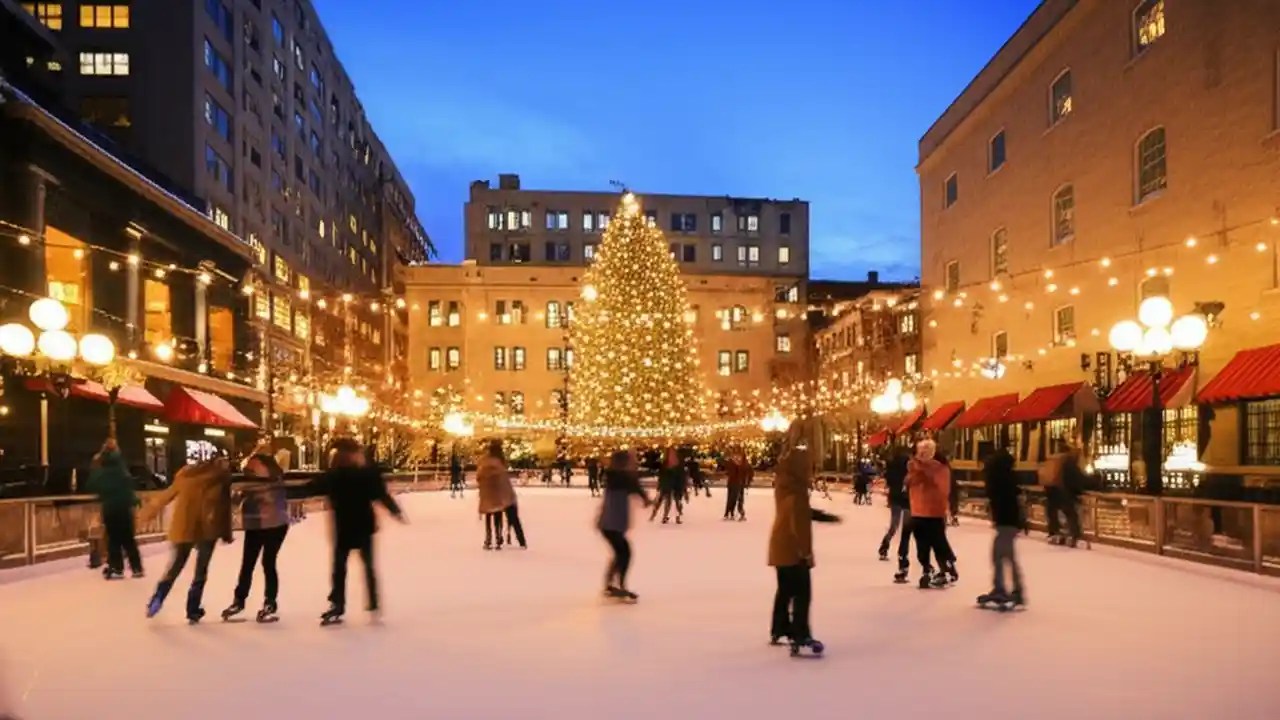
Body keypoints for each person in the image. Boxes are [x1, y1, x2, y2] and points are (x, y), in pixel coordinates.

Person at [308, 438, 406, 624]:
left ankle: (338, 604)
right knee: (365, 566)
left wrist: (282, 489)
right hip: (361, 526)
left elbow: (312, 487)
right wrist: (395, 511)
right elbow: (380, 494)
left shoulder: (336, 474)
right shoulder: (364, 474)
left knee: (340, 567)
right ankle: (372, 603)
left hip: (345, 526)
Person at [768, 418, 839, 653]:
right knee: (802, 594)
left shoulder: (784, 483)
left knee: (786, 590)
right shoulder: (796, 493)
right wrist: (804, 553)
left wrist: (823, 517)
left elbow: (800, 514)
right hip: (792, 551)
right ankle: (800, 635)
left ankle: (779, 627)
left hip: (779, 548)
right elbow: (797, 523)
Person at [139, 454, 234, 623]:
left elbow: (165, 497)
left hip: (183, 527)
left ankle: (158, 598)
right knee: (200, 571)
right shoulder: (220, 480)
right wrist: (226, 532)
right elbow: (223, 509)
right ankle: (192, 609)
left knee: (175, 567)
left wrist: (145, 514)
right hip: (207, 529)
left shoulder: (186, 475)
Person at [222, 446, 290, 622]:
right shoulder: (250, 481)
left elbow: (276, 500)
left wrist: (258, 494)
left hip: (275, 525)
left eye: (254, 467)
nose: (249, 470)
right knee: (248, 563)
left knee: (268, 561)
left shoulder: (275, 480)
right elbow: (237, 499)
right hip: (255, 525)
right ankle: (239, 600)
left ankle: (270, 601)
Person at [598, 449, 651, 600]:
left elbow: (634, 486)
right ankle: (617, 585)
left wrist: (644, 498)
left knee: (621, 553)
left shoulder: (616, 476)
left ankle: (611, 584)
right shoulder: (619, 478)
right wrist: (645, 498)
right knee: (624, 553)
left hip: (610, 524)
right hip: (611, 524)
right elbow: (634, 485)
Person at [88, 438, 143, 580]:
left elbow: (92, 485)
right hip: (124, 508)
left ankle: (117, 567)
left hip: (110, 509)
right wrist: (134, 500)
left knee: (113, 540)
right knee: (128, 539)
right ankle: (136, 567)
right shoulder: (121, 467)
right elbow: (128, 486)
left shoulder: (101, 468)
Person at [905, 439, 956, 588]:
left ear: (932, 453)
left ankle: (947, 568)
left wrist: (922, 469)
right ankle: (927, 569)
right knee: (922, 544)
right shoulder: (914, 467)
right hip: (918, 512)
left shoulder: (940, 468)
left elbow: (942, 487)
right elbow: (908, 483)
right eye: (920, 452)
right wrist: (913, 471)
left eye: (925, 452)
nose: (922, 455)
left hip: (935, 513)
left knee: (938, 542)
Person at [980, 446, 1025, 607]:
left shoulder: (997, 479)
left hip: (1006, 522)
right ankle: (1015, 589)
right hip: (1009, 522)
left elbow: (999, 499)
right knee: (1007, 556)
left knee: (999, 555)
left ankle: (1003, 588)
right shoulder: (1008, 477)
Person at [477, 439, 526, 550]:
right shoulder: (499, 462)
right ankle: (499, 538)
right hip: (499, 493)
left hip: (487, 493)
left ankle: (489, 538)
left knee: (489, 516)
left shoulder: (484, 461)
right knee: (498, 516)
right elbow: (503, 481)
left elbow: (479, 477)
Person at [881, 447, 914, 579]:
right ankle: (903, 558)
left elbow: (888, 482)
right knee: (906, 529)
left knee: (894, 525)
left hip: (895, 498)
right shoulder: (909, 470)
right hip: (906, 500)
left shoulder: (891, 469)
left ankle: (885, 545)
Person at [650, 448, 686, 524]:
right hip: (668, 484)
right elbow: (662, 475)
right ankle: (659, 515)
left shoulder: (674, 464)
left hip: (674, 484)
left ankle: (674, 517)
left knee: (675, 501)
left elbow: (681, 476)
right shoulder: (666, 464)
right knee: (666, 500)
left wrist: (682, 486)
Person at [723, 450, 752, 521]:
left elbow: (749, 473)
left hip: (739, 483)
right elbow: (729, 472)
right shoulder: (732, 463)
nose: (737, 458)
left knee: (738, 498)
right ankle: (730, 513)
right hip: (733, 483)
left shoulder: (744, 464)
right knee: (732, 498)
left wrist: (747, 482)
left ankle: (734, 513)